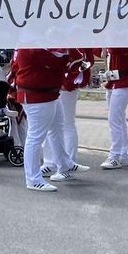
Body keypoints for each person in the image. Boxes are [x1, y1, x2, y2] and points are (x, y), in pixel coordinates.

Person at [8, 48, 68, 192]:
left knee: (51, 131)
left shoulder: (31, 42)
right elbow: (57, 61)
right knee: (35, 137)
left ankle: (65, 164)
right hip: (37, 94)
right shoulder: (32, 44)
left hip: (43, 93)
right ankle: (33, 179)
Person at [42, 49, 93, 181]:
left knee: (67, 124)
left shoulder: (74, 35)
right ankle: (51, 162)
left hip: (65, 83)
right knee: (50, 124)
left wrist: (70, 80)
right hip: (52, 82)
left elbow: (85, 59)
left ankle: (68, 164)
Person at [101, 47, 128, 169]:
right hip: (114, 81)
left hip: (124, 82)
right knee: (119, 119)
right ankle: (122, 154)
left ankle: (115, 156)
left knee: (114, 119)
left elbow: (116, 49)